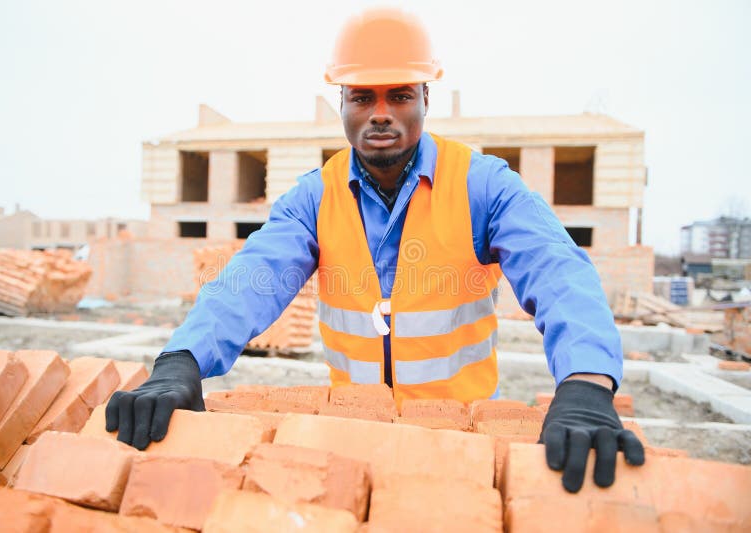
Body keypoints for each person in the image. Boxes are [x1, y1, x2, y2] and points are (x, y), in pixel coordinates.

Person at [106, 8, 644, 493]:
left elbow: (558, 272)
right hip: (351, 432)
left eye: (399, 96)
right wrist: (181, 361)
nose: (380, 113)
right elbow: (253, 277)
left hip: (460, 436)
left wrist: (586, 382)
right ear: (342, 103)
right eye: (363, 97)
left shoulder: (484, 187)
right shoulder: (314, 197)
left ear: (425, 99)